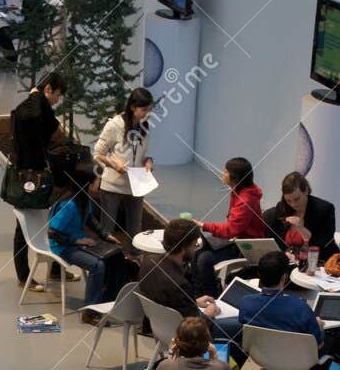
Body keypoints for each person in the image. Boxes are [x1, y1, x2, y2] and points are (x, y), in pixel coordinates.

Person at [9, 70, 66, 285]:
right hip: (30, 179)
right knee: (23, 227)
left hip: (33, 175)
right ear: (48, 89)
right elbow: (52, 130)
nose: (56, 100)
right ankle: (24, 277)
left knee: (52, 221)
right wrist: (37, 96)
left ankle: (54, 267)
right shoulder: (34, 108)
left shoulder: (32, 107)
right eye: (57, 95)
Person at [193, 157, 266, 296]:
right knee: (196, 252)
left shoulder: (246, 199)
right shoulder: (238, 189)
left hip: (244, 246)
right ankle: (197, 295)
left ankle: (211, 296)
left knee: (204, 259)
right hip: (235, 239)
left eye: (226, 171)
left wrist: (204, 225)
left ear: (235, 178)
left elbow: (231, 229)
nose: (223, 173)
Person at [93, 87, 155, 249]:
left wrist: (148, 161)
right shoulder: (114, 125)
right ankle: (105, 262)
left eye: (150, 110)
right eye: (144, 110)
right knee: (107, 229)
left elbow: (141, 156)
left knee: (136, 230)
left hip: (136, 185)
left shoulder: (145, 127)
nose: (147, 113)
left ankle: (135, 261)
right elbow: (98, 153)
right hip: (112, 186)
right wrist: (114, 164)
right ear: (133, 107)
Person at [47, 163, 109, 305]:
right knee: (97, 265)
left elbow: (90, 219)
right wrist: (78, 241)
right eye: (97, 180)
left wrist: (105, 235)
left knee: (113, 256)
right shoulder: (69, 205)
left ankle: (105, 299)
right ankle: (90, 309)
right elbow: (52, 233)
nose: (99, 183)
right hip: (62, 246)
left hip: (75, 240)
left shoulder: (84, 198)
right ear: (88, 183)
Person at [137, 217, 219, 322]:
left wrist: (193, 302)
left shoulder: (148, 262)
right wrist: (208, 314)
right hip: (185, 333)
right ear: (183, 249)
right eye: (195, 245)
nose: (195, 250)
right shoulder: (180, 284)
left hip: (158, 326)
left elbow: (168, 304)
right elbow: (194, 329)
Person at [263, 171, 338, 265]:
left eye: (296, 199)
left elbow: (323, 243)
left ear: (306, 190)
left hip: (318, 263)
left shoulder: (324, 209)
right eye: (288, 200)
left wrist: (301, 229)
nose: (293, 204)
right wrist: (285, 254)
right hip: (289, 263)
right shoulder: (282, 207)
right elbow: (276, 239)